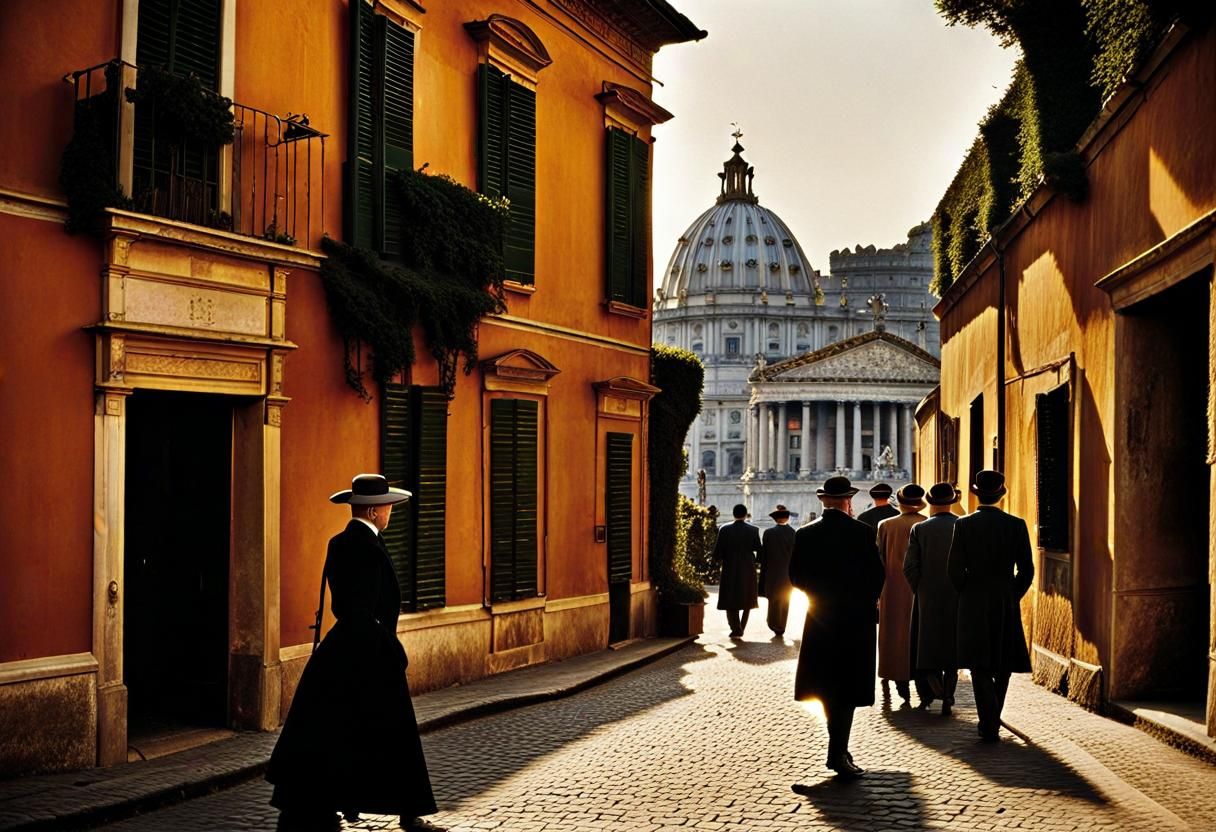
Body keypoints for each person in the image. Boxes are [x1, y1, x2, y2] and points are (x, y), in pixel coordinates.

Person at [267, 474, 445, 832]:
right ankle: (409, 813)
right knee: (396, 736)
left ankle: (329, 803)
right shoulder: (367, 546)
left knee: (330, 730)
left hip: (341, 650)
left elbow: (342, 606)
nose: (390, 513)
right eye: (388, 508)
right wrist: (388, 649)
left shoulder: (339, 543)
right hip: (369, 651)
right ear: (375, 511)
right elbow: (363, 607)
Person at [789, 476, 885, 783]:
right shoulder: (862, 533)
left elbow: (796, 578)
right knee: (847, 687)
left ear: (822, 501)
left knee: (827, 684)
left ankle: (838, 750)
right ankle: (838, 753)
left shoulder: (805, 534)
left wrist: (819, 597)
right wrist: (863, 602)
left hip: (819, 619)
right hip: (854, 620)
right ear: (848, 501)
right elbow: (876, 577)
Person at [948, 470, 1034, 742]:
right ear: (1001, 494)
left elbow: (954, 569)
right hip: (1005, 600)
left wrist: (967, 592)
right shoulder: (1016, 525)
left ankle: (989, 721)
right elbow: (1027, 570)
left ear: (976, 494)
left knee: (979, 663)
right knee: (1003, 660)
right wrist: (1012, 594)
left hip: (973, 601)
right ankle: (992, 716)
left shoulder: (963, 525)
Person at [903, 482, 962, 715]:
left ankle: (935, 690)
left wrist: (921, 588)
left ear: (930, 502)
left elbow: (910, 567)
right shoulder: (962, 525)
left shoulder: (920, 529)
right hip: (957, 596)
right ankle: (948, 693)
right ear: (952, 501)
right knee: (952, 649)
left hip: (927, 596)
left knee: (926, 647)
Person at [876, 484, 927, 705]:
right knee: (921, 633)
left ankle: (899, 682)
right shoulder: (926, 523)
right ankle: (924, 682)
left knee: (894, 636)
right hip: (921, 588)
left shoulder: (885, 525)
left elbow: (878, 560)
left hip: (893, 587)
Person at [713, 503, 761, 637]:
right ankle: (741, 627)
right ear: (745, 515)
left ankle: (735, 628)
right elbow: (759, 549)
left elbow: (717, 552)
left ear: (733, 514)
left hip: (730, 566)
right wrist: (755, 563)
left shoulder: (724, 529)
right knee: (747, 598)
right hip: (747, 568)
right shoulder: (754, 530)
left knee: (730, 598)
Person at [758, 504, 796, 637]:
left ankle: (772, 623)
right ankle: (781, 626)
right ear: (787, 518)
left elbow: (763, 555)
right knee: (785, 600)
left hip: (772, 572)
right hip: (788, 574)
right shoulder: (793, 533)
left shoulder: (769, 533)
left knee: (773, 600)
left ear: (775, 519)